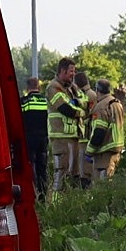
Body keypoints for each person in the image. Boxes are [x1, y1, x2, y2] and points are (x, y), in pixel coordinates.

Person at [46, 59, 83, 190]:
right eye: (71, 71)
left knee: (73, 174)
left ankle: (68, 205)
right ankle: (56, 205)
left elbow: (84, 101)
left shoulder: (71, 87)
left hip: (72, 137)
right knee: (61, 173)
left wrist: (79, 106)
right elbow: (65, 109)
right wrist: (81, 112)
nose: (74, 74)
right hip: (60, 138)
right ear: (62, 71)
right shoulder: (53, 87)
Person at [85, 78, 126, 181]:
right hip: (116, 150)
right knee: (109, 184)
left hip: (104, 153)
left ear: (97, 90)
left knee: (101, 188)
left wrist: (89, 151)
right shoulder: (116, 103)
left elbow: (99, 131)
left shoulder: (101, 107)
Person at [20, 76, 50, 193]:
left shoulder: (24, 101)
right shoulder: (45, 100)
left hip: (29, 137)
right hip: (43, 138)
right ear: (39, 87)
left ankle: (31, 192)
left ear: (27, 87)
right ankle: (43, 194)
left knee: (30, 165)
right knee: (42, 167)